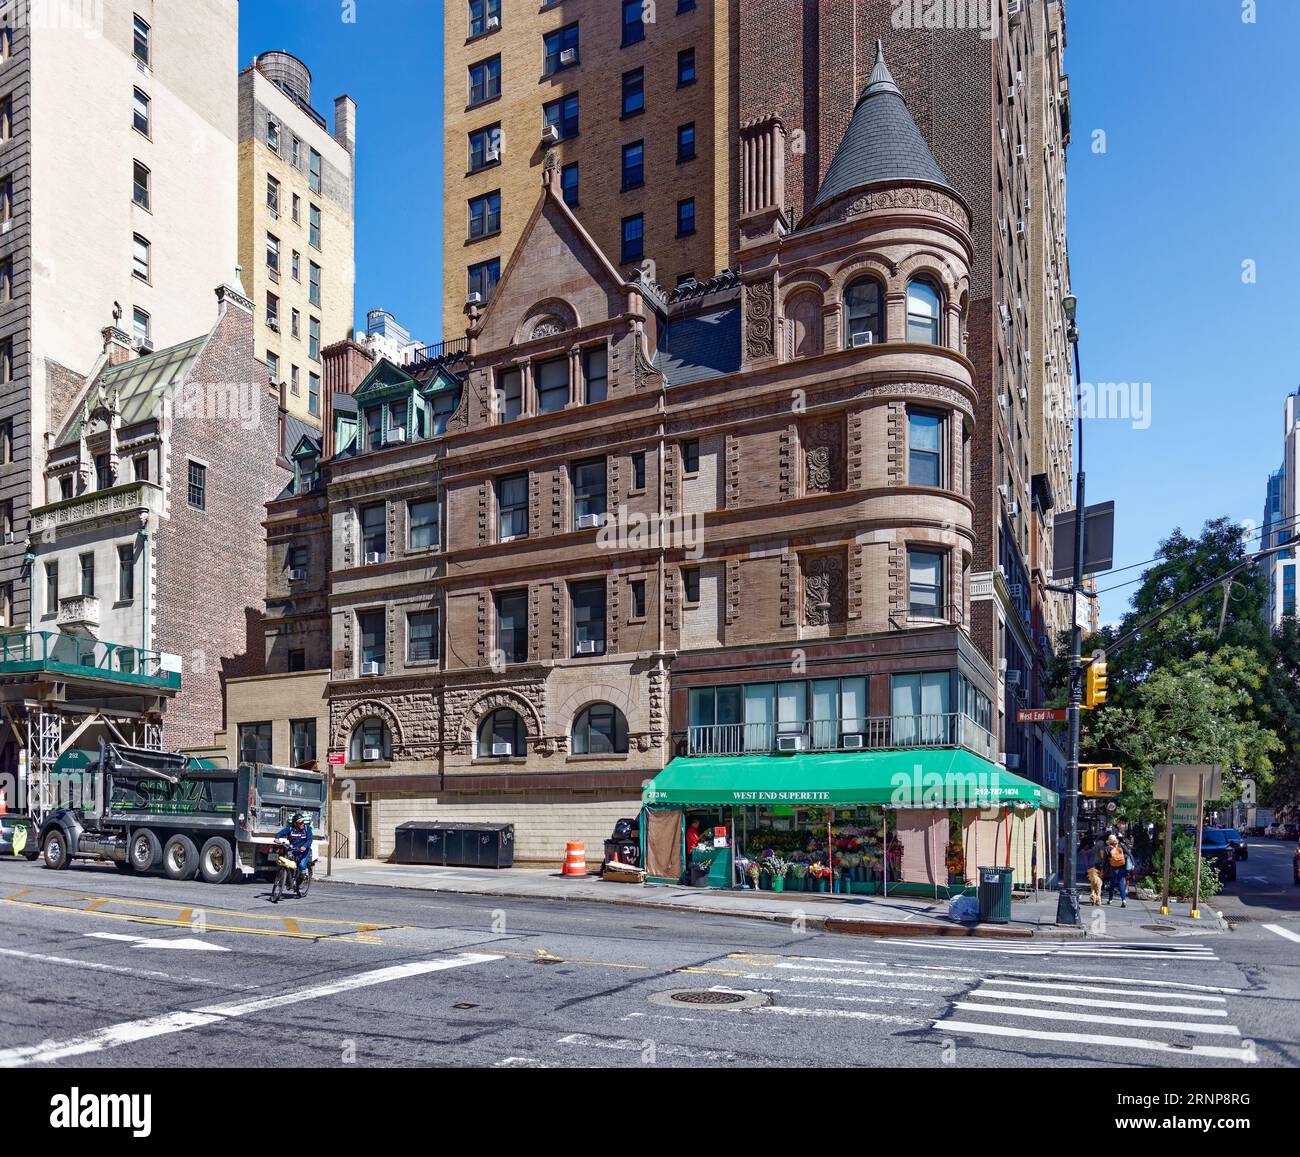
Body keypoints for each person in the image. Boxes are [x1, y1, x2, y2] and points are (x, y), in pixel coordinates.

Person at [275, 811, 314, 879]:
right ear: (295, 823)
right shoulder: (290, 829)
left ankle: (302, 876)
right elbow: (280, 833)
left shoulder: (307, 829)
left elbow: (309, 840)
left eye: (303, 822)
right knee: (287, 863)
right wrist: (277, 838)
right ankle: (287, 877)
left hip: (304, 852)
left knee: (302, 865)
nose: (302, 824)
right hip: (293, 851)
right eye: (300, 823)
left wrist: (304, 846)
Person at [1104, 832, 1130, 907]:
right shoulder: (1121, 845)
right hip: (1122, 866)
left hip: (1112, 868)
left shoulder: (1107, 848)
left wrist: (1103, 868)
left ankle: (1110, 899)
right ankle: (1123, 900)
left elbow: (1105, 860)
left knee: (1112, 883)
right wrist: (1132, 864)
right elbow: (1128, 854)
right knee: (1121, 883)